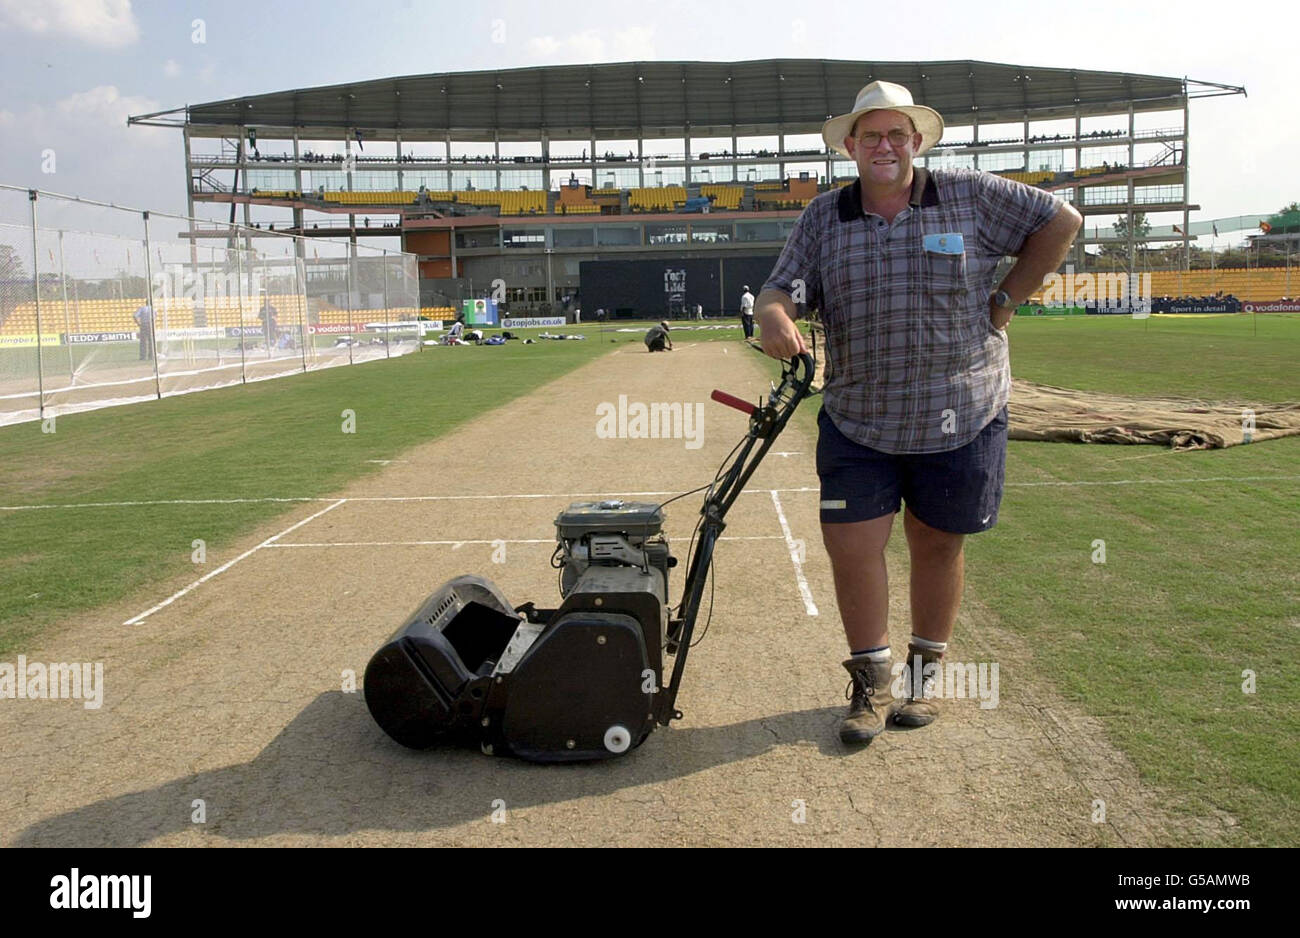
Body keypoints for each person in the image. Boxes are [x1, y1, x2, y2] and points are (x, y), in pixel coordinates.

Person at [756, 80, 1082, 745]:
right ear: (850, 145)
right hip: (860, 417)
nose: (884, 145)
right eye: (870, 135)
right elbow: (784, 285)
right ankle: (871, 682)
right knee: (852, 545)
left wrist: (1008, 299)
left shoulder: (970, 193)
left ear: (916, 143)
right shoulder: (824, 216)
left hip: (961, 411)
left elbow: (1062, 221)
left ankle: (925, 674)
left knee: (936, 543)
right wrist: (773, 313)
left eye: (896, 134)